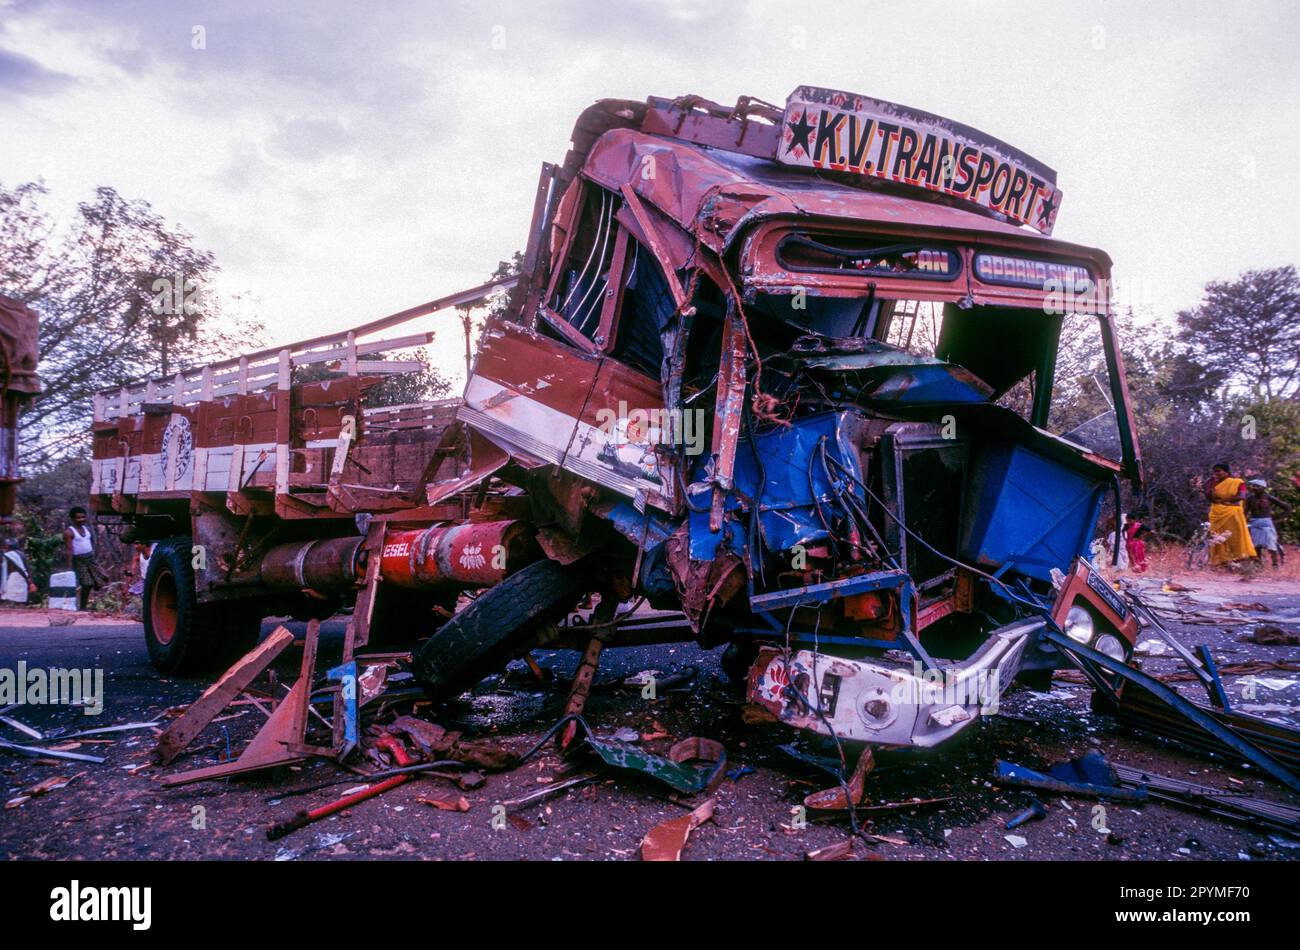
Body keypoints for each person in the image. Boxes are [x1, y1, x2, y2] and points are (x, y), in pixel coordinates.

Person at [1204, 463, 1256, 567]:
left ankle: (1241, 561)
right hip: (1216, 512)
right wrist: (1209, 487)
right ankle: (1221, 561)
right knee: (1216, 535)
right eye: (1214, 471)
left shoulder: (1238, 482)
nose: (1216, 473)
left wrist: (1224, 501)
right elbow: (1211, 499)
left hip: (1233, 513)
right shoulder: (1212, 482)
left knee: (1235, 537)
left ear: (1227, 472)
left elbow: (1242, 496)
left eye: (1219, 471)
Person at [64, 506, 103, 610]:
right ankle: (83, 607)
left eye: (83, 517)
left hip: (90, 558)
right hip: (79, 560)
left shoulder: (87, 529)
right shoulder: (69, 532)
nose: (81, 520)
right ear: (72, 519)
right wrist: (69, 566)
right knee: (86, 583)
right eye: (78, 518)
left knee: (103, 578)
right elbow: (69, 549)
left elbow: (90, 543)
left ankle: (92, 601)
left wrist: (94, 557)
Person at [1246, 478, 1290, 569]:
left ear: (1263, 488)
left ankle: (1275, 565)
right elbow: (1245, 512)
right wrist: (1243, 521)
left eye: (1257, 486)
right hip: (1254, 522)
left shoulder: (1269, 498)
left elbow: (1287, 508)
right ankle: (1258, 565)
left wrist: (1278, 520)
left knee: (1271, 544)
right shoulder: (1250, 499)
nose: (1254, 488)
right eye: (1253, 486)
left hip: (1267, 523)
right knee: (1256, 545)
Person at [0, 538, 35, 605]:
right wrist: (30, 581)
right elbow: (27, 568)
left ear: (9, 546)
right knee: (19, 600)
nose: (5, 546)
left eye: (6, 545)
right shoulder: (21, 554)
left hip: (13, 578)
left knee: (10, 598)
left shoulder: (7, 555)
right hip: (22, 579)